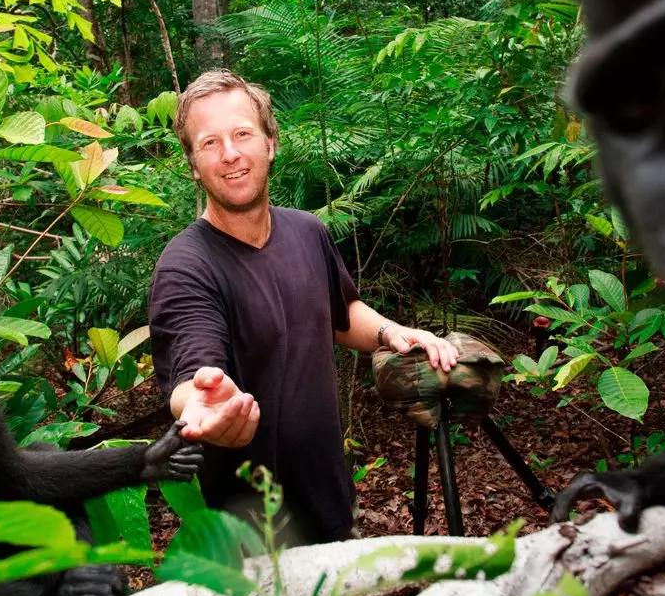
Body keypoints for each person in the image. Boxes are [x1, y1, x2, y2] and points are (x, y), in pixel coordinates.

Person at [148, 71, 459, 544]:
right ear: (193, 164)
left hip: (329, 496)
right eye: (209, 143)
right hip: (253, 531)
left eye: (242, 134)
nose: (230, 153)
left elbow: (340, 312)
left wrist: (392, 332)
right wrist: (204, 407)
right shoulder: (186, 266)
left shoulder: (307, 231)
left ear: (270, 144)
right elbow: (192, 376)